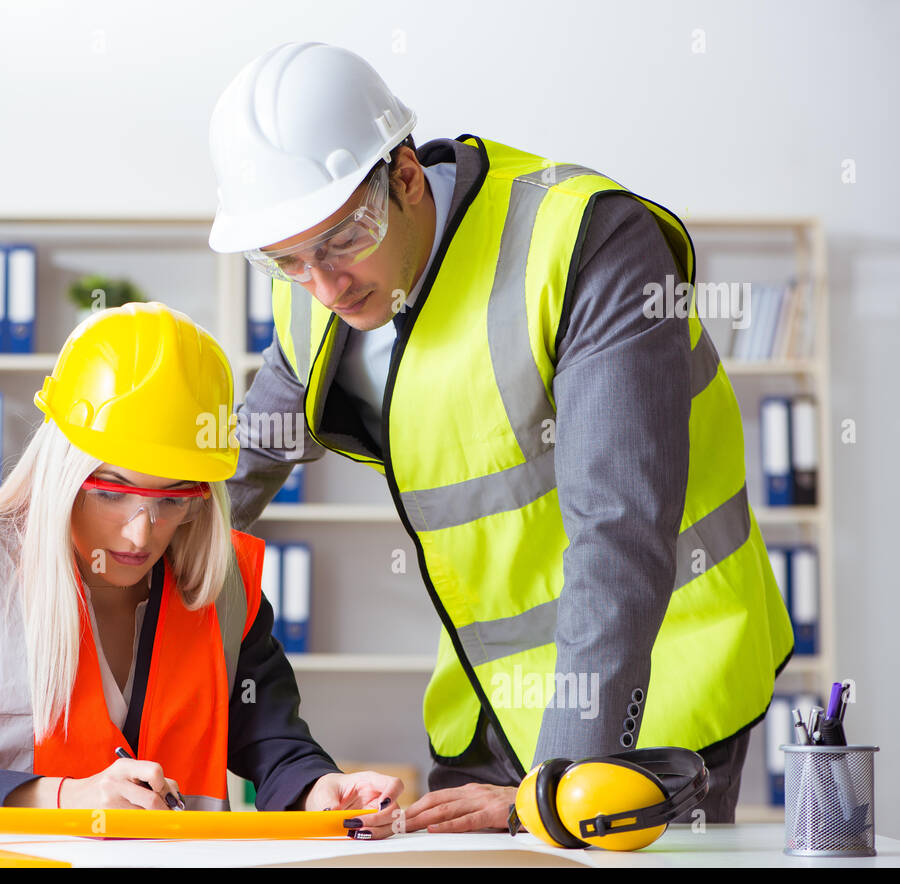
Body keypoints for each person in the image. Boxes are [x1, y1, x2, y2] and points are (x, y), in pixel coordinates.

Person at [207, 42, 794, 836]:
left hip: (655, 691)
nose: (325, 285)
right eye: (287, 260)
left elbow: (618, 533)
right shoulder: (318, 297)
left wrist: (552, 794)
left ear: (406, 175)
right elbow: (223, 481)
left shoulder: (584, 243)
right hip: (489, 704)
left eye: (345, 240)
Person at [0, 302, 403, 836]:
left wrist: (320, 787)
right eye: (113, 494)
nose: (142, 533)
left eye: (173, 499)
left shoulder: (223, 586)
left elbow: (276, 744)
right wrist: (62, 797)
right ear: (63, 471)